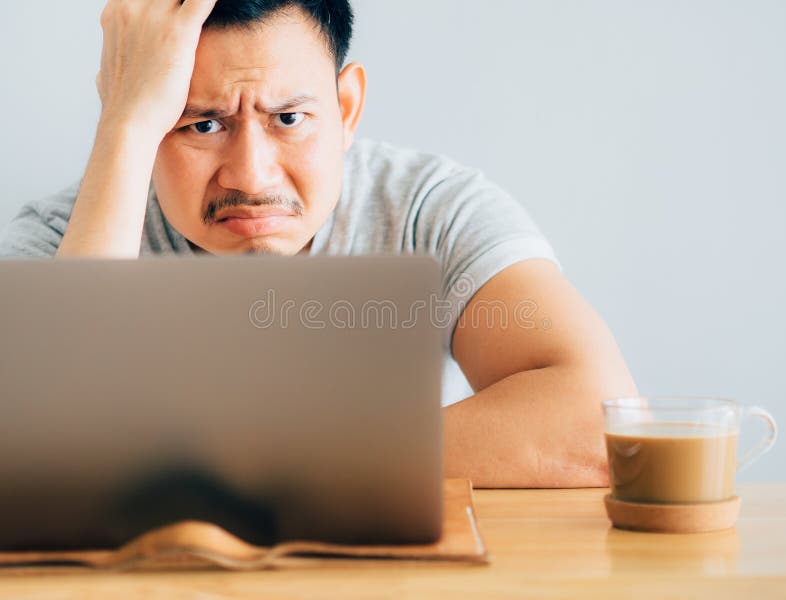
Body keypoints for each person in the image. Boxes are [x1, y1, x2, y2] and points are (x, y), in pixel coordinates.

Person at [0, 0, 638, 488]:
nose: (250, 175)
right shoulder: (70, 236)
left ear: (347, 108)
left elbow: (601, 424)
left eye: (287, 119)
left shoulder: (427, 210)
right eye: (200, 123)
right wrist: (125, 121)